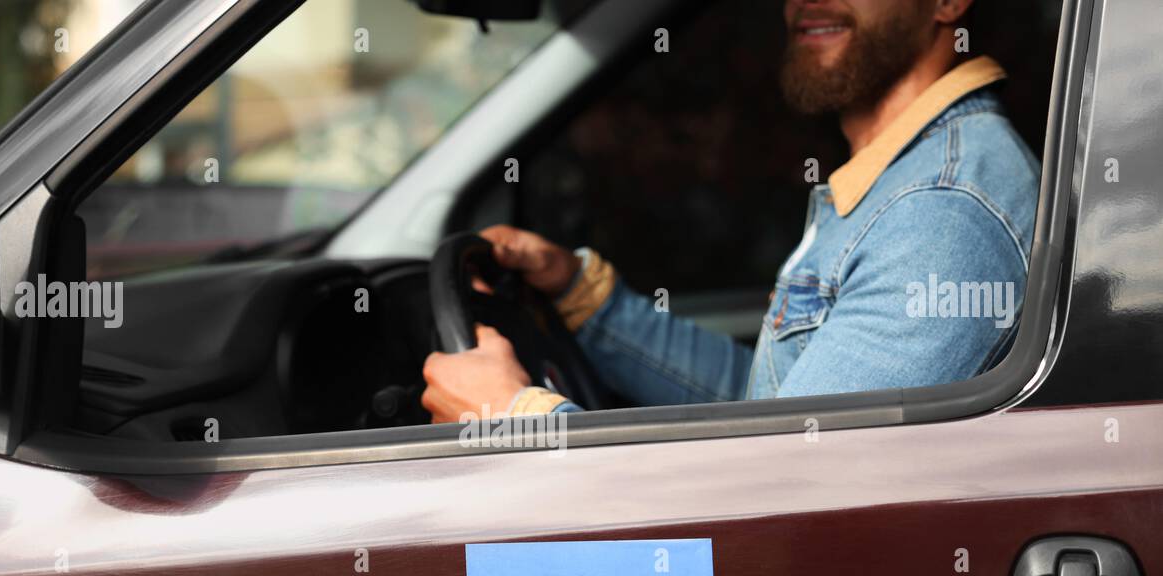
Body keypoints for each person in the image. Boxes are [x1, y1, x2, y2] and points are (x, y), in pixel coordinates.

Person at [420, 0, 1039, 422]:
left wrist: (514, 419)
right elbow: (770, 407)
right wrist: (586, 298)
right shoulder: (904, 176)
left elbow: (778, 497)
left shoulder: (938, 215)